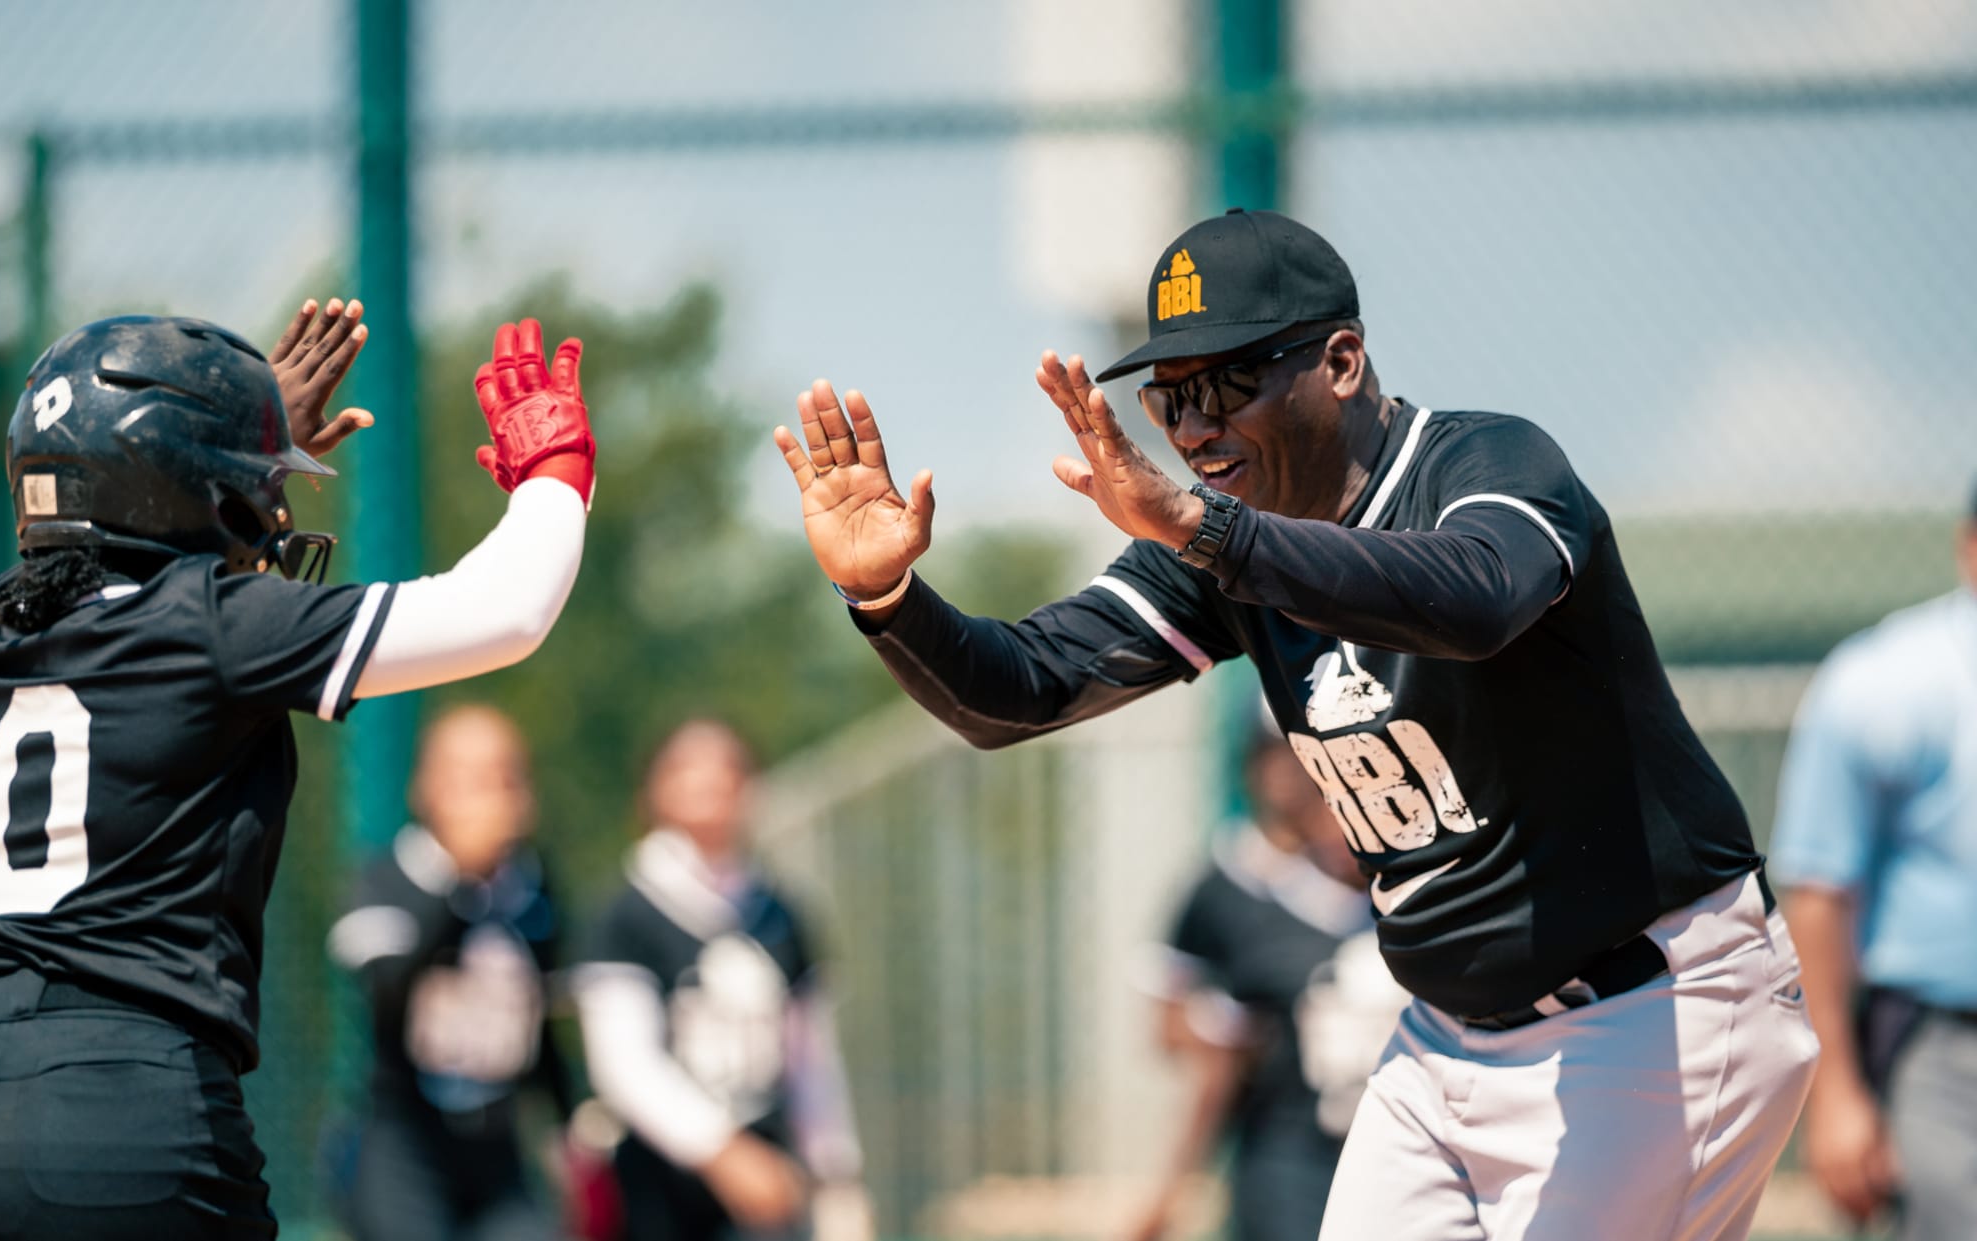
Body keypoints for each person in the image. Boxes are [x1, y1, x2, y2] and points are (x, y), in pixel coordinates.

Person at [774, 209, 1818, 1240]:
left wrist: (1202, 527)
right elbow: (1022, 688)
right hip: (1442, 1045)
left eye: (1226, 381)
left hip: (1652, 1016)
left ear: (1342, 361)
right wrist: (887, 597)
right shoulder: (1227, 545)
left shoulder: (1485, 465)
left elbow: (1480, 596)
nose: (1189, 429)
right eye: (1169, 395)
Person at [0, 300, 599, 1241]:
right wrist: (557, 471)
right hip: (117, 1109)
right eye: (253, 488)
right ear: (179, 487)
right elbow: (509, 608)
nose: (272, 515)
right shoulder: (207, 618)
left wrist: (212, 441)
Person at [1773, 484, 1977, 1241]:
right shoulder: (1888, 681)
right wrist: (1837, 1094)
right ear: (1969, 547)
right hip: (1940, 1043)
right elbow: (1819, 891)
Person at [575, 720, 870, 1241]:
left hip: (769, 1182)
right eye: (689, 767)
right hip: (660, 1186)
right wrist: (722, 1152)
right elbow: (624, 1067)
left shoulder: (781, 913)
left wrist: (836, 1177)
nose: (711, 782)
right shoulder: (626, 914)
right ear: (654, 789)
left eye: (729, 768)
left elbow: (811, 1063)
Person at [1125, 715, 1393, 1241]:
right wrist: (1168, 1194)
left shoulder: (1420, 885)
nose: (1299, 779)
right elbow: (1189, 1043)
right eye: (1283, 757)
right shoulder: (1235, 889)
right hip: (1295, 1159)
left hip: (1410, 1156)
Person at [330, 704, 576, 1241]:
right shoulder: (386, 879)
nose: (488, 797)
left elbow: (541, 1025)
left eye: (503, 778)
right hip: (404, 1142)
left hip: (497, 1148)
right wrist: (461, 884)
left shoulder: (533, 891)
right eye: (468, 778)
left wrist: (570, 1131)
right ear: (426, 788)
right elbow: (388, 994)